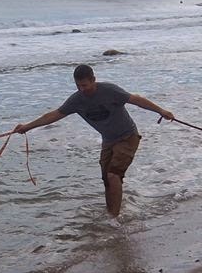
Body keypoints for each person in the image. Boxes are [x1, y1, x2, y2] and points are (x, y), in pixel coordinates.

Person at [13, 64, 174, 218]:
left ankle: (115, 218)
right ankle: (111, 214)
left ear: (93, 79)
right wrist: (27, 127)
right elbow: (54, 115)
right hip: (108, 140)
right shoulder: (76, 100)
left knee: (113, 175)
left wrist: (161, 110)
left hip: (127, 136)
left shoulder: (110, 90)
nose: (82, 90)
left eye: (85, 85)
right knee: (106, 180)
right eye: (78, 86)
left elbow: (136, 100)